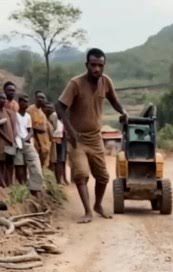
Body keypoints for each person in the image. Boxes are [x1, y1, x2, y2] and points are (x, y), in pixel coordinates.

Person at [56, 48, 127, 223]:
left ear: (104, 66)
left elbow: (114, 100)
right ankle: (88, 211)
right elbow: (59, 107)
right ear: (86, 65)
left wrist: (123, 111)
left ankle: (98, 205)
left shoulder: (106, 82)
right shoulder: (75, 84)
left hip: (95, 137)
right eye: (93, 65)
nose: (96, 69)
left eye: (100, 65)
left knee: (103, 176)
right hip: (77, 138)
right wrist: (70, 131)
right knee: (81, 174)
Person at [14, 95, 45, 196]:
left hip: (26, 142)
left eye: (27, 102)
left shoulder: (27, 116)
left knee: (35, 163)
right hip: (17, 142)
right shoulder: (14, 115)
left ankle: (35, 188)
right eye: (24, 102)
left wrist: (27, 138)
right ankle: (22, 186)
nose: (26, 104)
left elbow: (30, 130)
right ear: (19, 102)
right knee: (20, 165)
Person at [30, 91, 52, 170]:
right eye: (39, 97)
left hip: (44, 144)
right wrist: (39, 129)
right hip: (35, 141)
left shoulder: (42, 113)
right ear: (35, 98)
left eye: (43, 98)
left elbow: (46, 128)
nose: (40, 99)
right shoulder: (30, 110)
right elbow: (30, 126)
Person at [48, 106, 67, 185]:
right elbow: (52, 130)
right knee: (55, 161)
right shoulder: (53, 117)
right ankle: (56, 180)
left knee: (62, 160)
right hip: (55, 141)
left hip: (62, 140)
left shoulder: (63, 117)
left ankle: (61, 179)